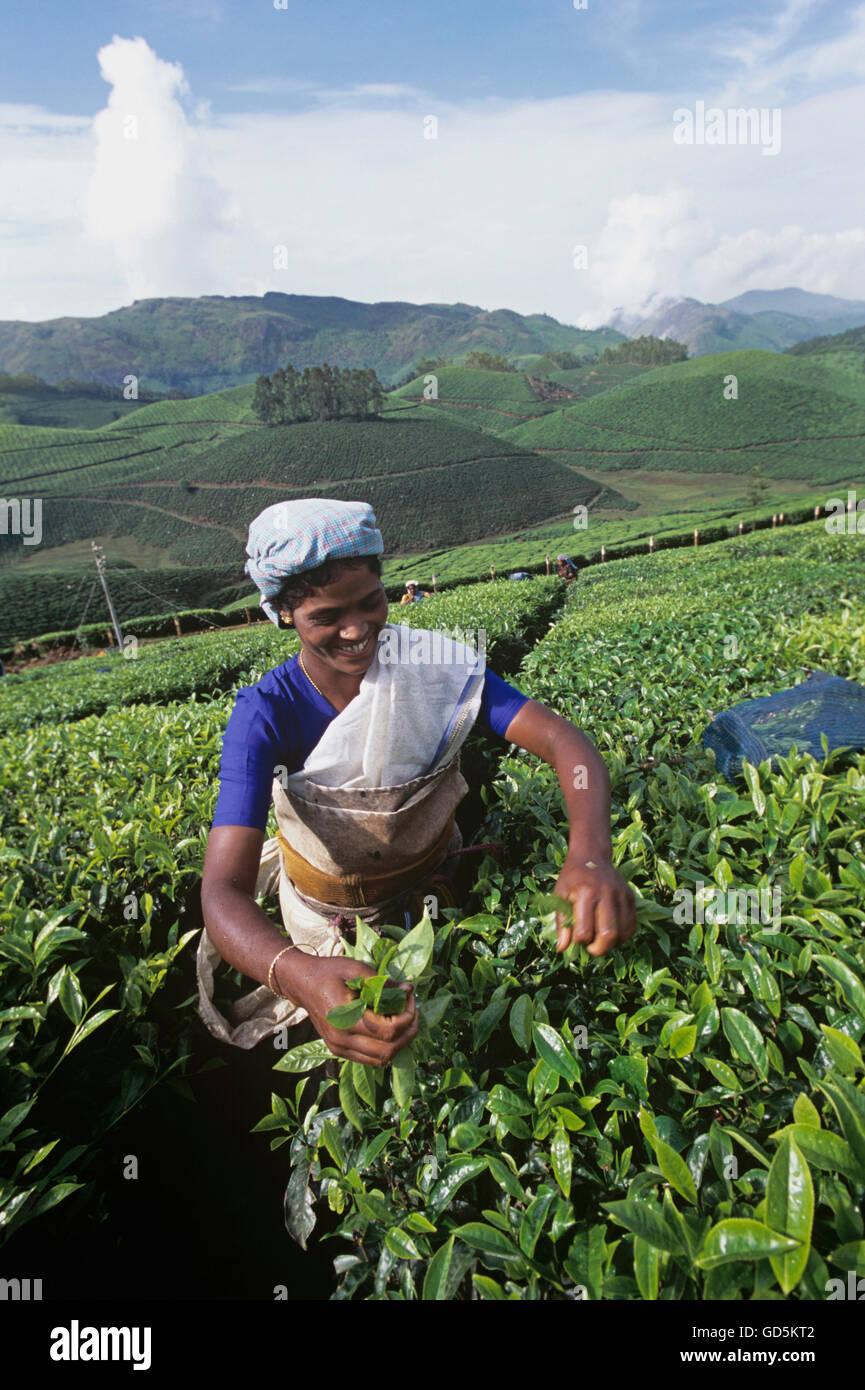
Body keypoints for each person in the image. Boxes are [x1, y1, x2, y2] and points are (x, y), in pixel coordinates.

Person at [198, 498, 636, 1062]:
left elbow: (564, 744)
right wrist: (299, 973)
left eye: (370, 602)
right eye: (325, 617)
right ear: (284, 612)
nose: (357, 630)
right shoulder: (265, 715)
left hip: (443, 886)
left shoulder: (429, 667)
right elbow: (222, 892)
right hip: (331, 924)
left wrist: (591, 855)